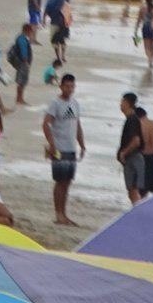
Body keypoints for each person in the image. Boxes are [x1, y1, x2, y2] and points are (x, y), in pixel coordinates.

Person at [42, 74, 85, 226]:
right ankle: (58, 214)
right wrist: (51, 144)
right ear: (61, 86)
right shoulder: (55, 103)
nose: (70, 89)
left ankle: (64, 214)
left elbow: (77, 125)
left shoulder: (75, 103)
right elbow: (46, 124)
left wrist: (82, 144)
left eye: (72, 86)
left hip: (71, 148)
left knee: (67, 182)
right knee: (60, 181)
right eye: (67, 86)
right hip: (59, 147)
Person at [116, 92, 144, 205]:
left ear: (127, 103)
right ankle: (137, 210)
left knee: (133, 190)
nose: (120, 104)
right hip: (133, 158)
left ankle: (138, 212)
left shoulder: (132, 119)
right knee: (132, 190)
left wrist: (124, 153)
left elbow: (136, 141)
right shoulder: (132, 119)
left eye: (122, 102)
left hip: (133, 158)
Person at [8, 22, 34, 106]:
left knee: (21, 81)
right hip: (22, 63)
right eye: (30, 31)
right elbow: (24, 53)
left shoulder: (20, 38)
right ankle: (19, 99)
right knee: (22, 81)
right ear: (27, 30)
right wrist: (26, 63)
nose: (31, 33)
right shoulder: (22, 39)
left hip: (20, 62)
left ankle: (19, 98)